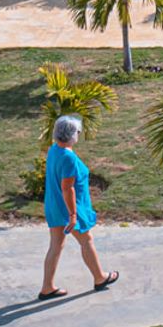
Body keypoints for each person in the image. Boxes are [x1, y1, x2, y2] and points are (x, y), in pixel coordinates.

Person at [39, 114, 117, 299]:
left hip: (54, 206)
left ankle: (47, 287)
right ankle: (100, 278)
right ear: (72, 134)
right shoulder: (68, 158)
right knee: (86, 239)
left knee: (56, 245)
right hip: (68, 208)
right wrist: (73, 215)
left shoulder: (53, 150)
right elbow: (68, 189)